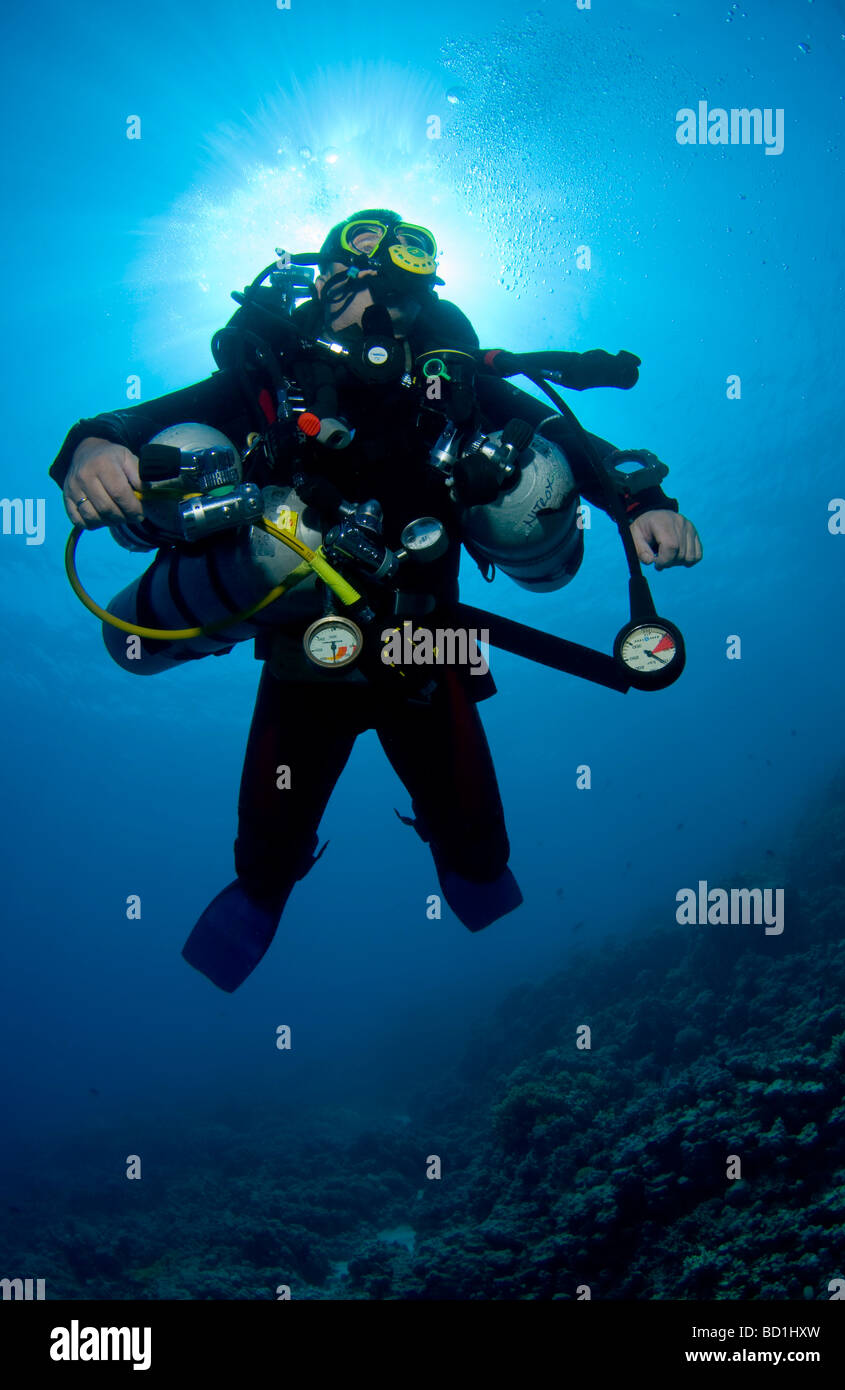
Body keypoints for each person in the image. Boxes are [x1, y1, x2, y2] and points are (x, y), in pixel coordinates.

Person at [49, 209, 702, 992]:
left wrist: (644, 503)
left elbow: (566, 441)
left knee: (479, 853)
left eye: (387, 283)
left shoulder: (454, 381)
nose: (365, 301)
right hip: (306, 651)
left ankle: (476, 907)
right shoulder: (271, 378)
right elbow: (127, 424)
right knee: (264, 856)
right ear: (315, 284)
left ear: (422, 296)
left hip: (428, 650)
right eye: (344, 272)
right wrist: (90, 452)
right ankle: (258, 902)